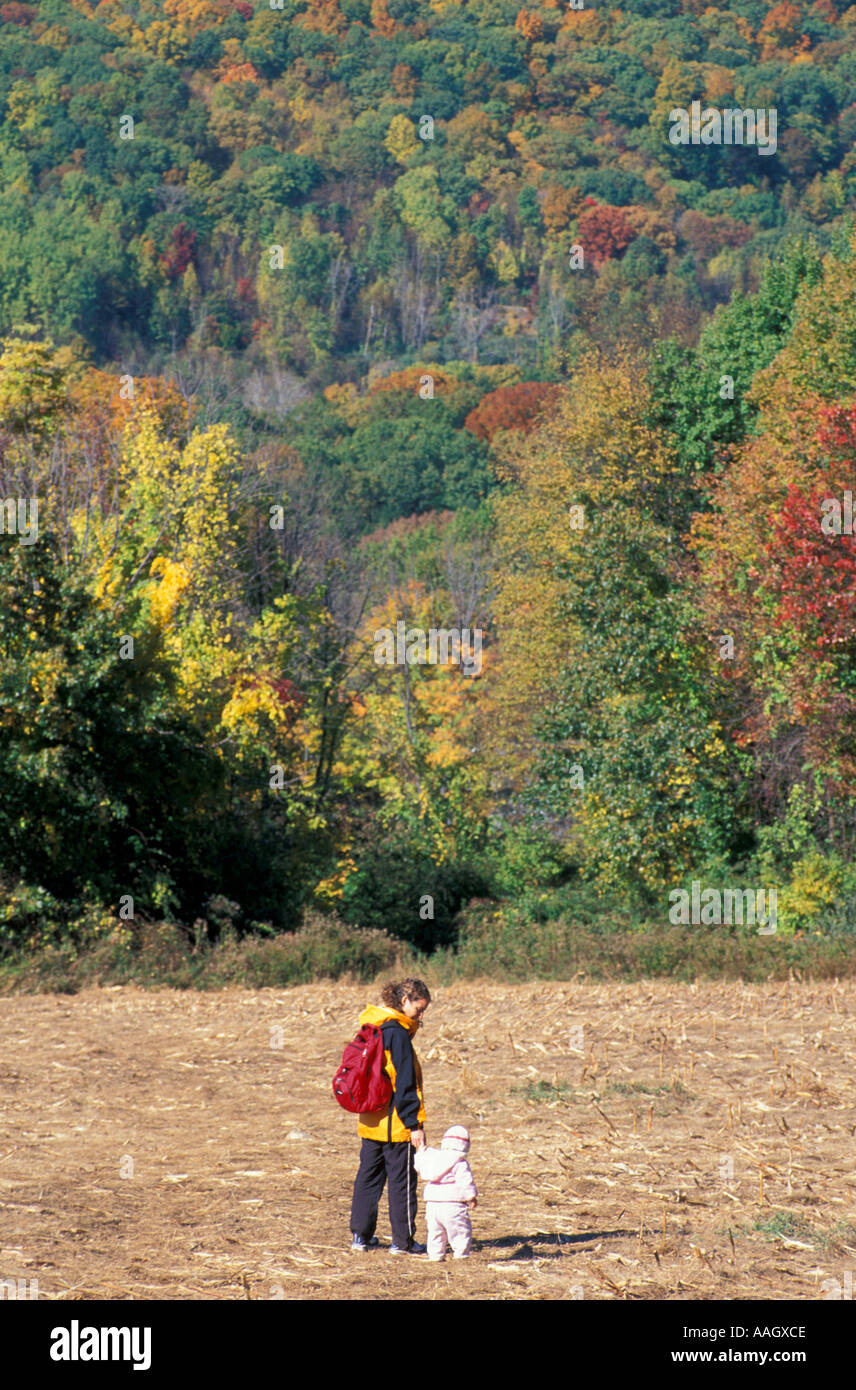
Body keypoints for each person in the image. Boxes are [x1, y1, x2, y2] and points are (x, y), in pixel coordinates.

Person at [349, 978, 431, 1254]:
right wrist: (414, 1125)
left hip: (370, 1120)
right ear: (404, 1000)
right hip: (397, 1125)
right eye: (419, 1010)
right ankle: (403, 1242)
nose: (420, 1017)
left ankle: (360, 1237)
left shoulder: (371, 1026)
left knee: (368, 1178)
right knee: (402, 1182)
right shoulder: (397, 1034)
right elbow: (405, 1082)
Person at [413, 1125, 477, 1262]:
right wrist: (471, 1196)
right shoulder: (460, 1163)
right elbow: (465, 1181)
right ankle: (461, 1255)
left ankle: (435, 1255)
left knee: (435, 1232)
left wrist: (421, 1150)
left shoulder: (434, 1157)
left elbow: (419, 1165)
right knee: (460, 1231)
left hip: (432, 1204)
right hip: (453, 1203)